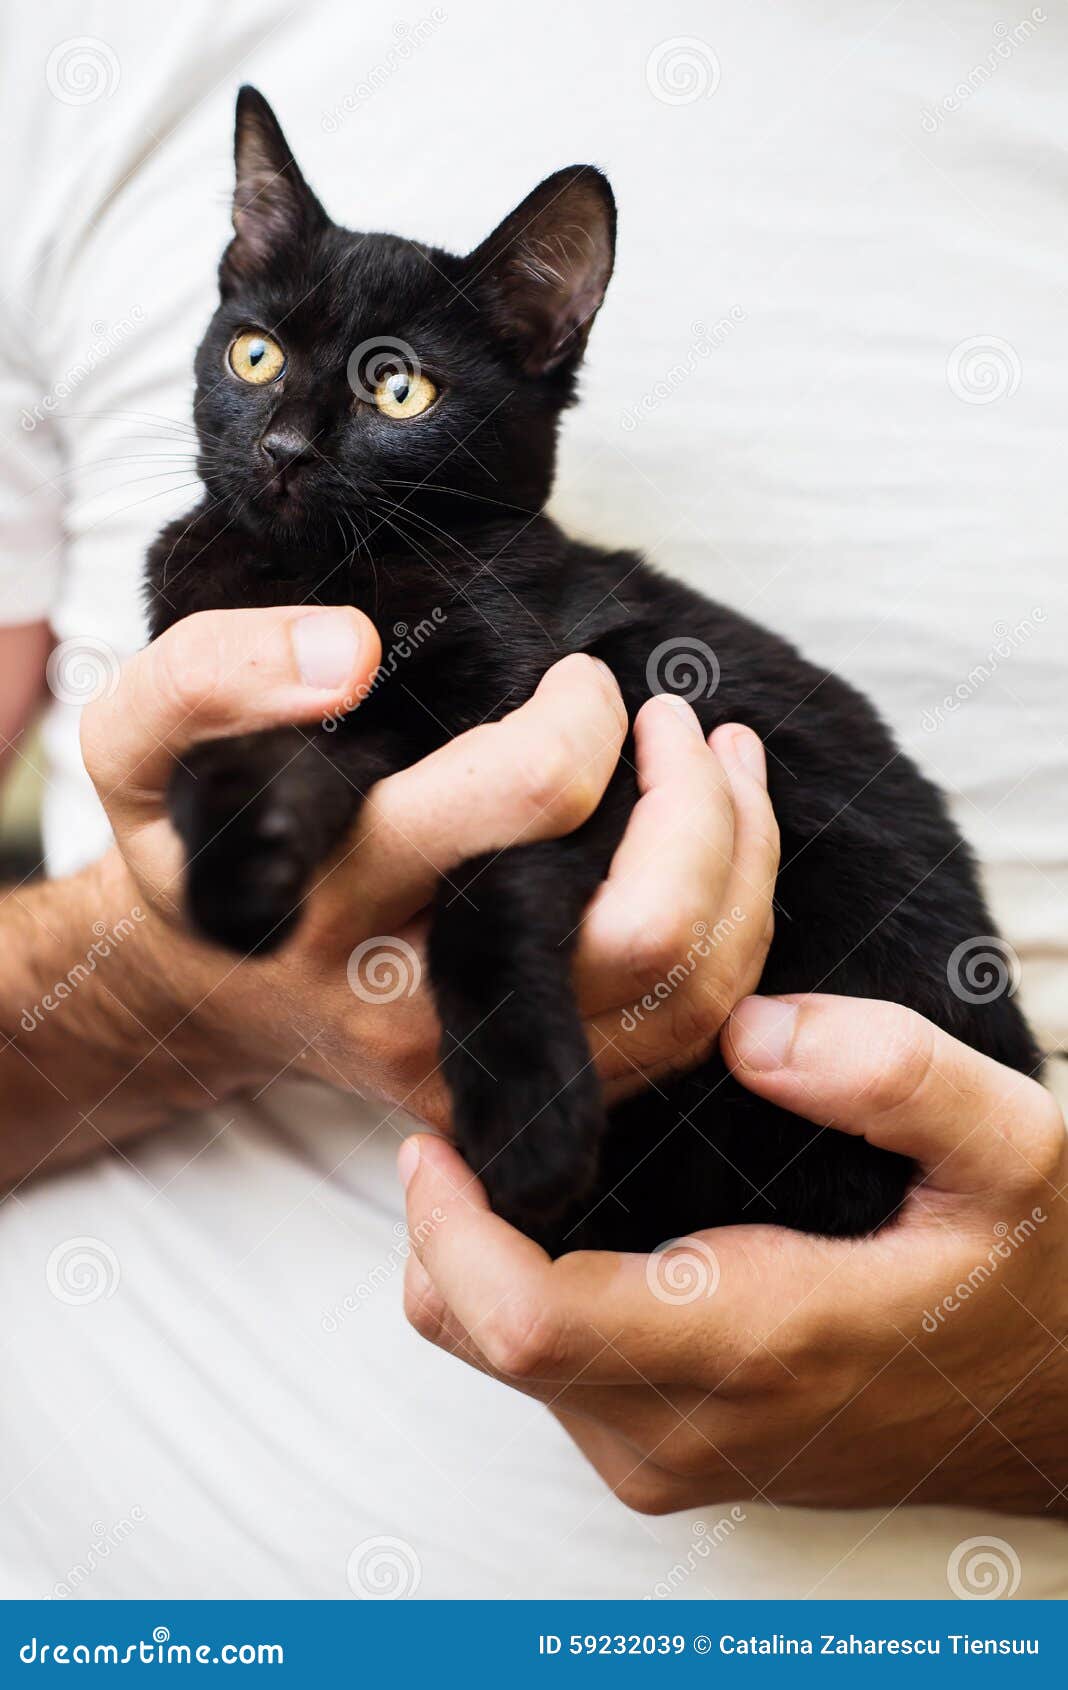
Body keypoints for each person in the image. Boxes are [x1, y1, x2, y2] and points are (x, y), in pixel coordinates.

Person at [1, 0, 1064, 1601]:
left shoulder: (485, 593)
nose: (286, 431)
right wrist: (157, 977)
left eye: (394, 392)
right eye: (261, 354)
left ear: (541, 348)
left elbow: (503, 797)